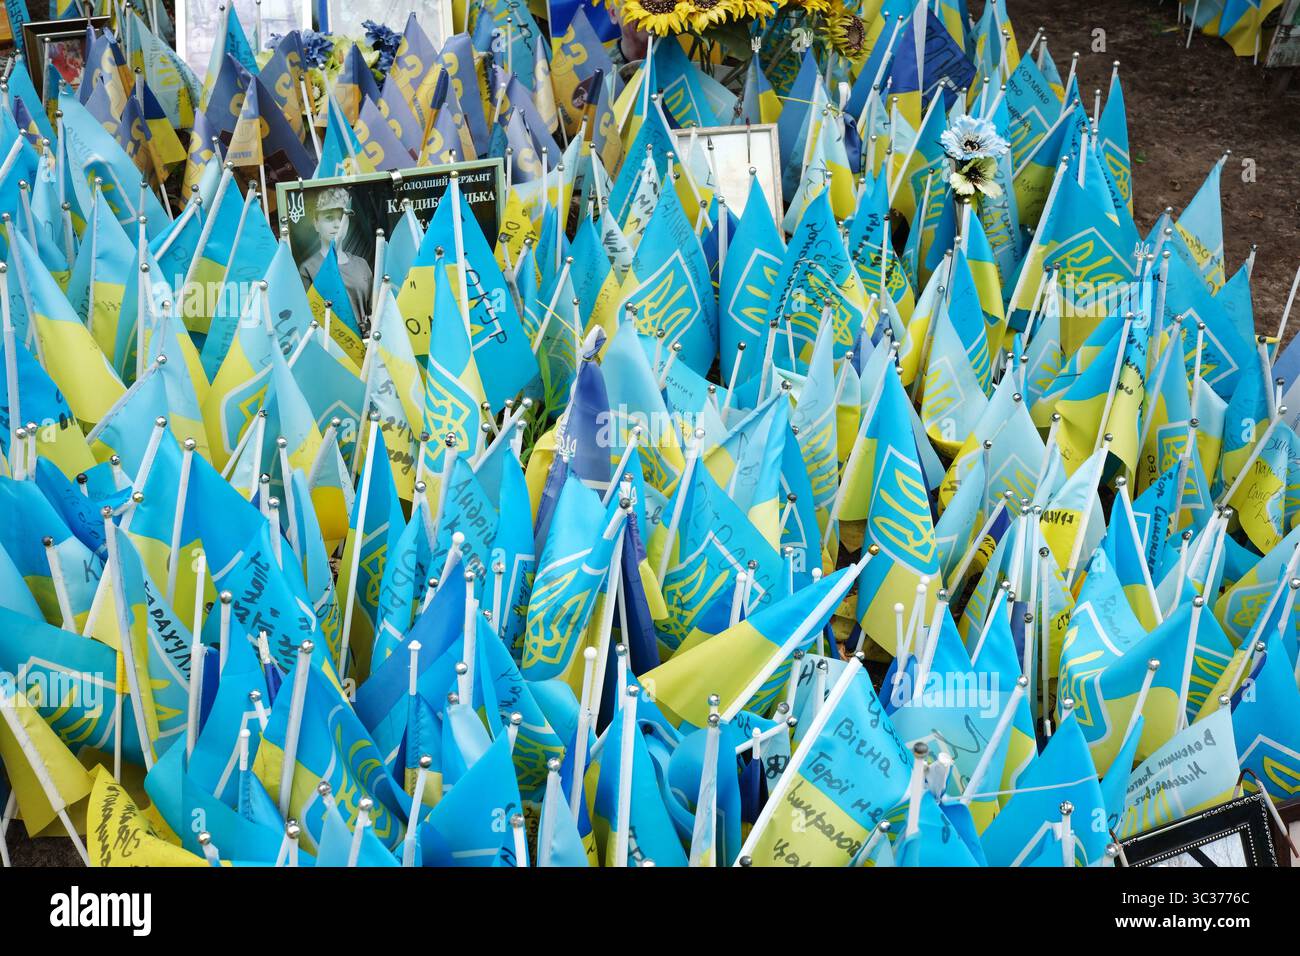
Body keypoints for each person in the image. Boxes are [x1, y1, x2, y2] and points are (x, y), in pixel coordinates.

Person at [296, 186, 374, 325]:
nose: (338, 224)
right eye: (329, 218)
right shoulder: (308, 269)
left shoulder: (361, 265)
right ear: (316, 224)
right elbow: (305, 316)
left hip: (364, 341)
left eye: (343, 218)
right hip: (327, 341)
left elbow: (374, 312)